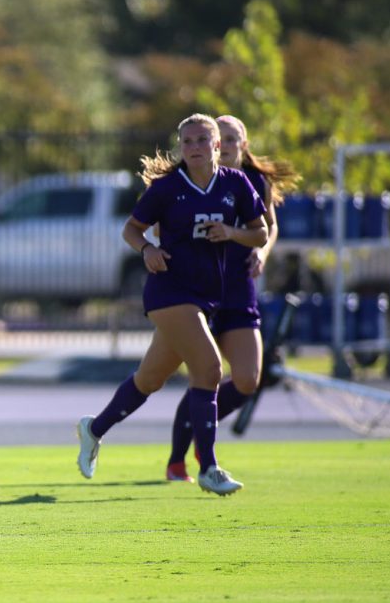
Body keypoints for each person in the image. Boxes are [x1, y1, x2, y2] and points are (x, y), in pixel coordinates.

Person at [75, 113, 267, 496]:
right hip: (169, 291)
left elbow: (260, 233)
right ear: (180, 147)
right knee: (209, 368)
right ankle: (209, 467)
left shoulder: (236, 183)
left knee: (149, 380)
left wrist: (231, 232)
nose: (194, 147)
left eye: (202, 140)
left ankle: (93, 429)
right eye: (187, 141)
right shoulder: (167, 188)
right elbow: (131, 229)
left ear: (217, 146)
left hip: (207, 295)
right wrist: (146, 248)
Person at [163, 115, 298, 481]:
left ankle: (199, 428)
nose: (221, 145)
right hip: (198, 292)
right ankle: (179, 461)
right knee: (200, 374)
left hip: (238, 288)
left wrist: (261, 252)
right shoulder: (191, 181)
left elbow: (267, 228)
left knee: (247, 380)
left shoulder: (252, 182)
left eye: (231, 139)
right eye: (216, 137)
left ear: (242, 144)